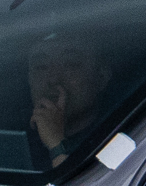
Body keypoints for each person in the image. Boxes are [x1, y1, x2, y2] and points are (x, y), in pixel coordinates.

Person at [26, 34, 113, 165]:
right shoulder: (9, 142)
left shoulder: (119, 140)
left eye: (70, 64)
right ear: (29, 79)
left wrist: (56, 146)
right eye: (41, 67)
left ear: (101, 77)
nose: (53, 79)